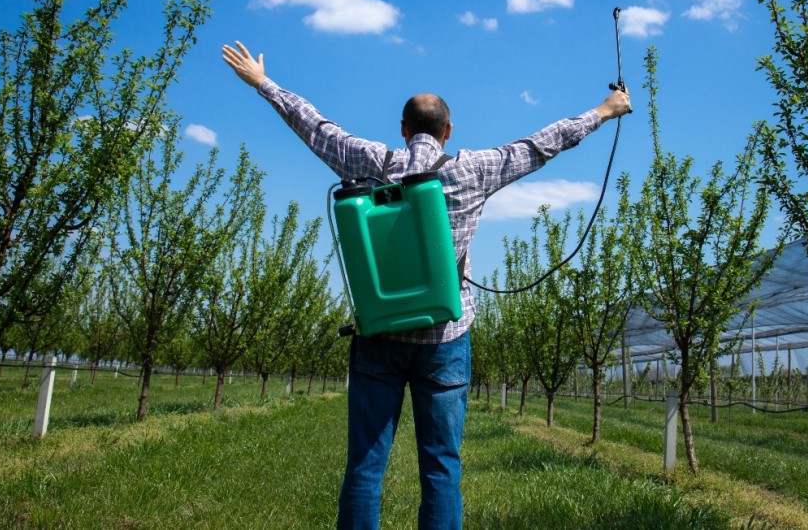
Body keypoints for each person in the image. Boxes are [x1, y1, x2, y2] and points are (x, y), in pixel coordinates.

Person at [222, 41, 632, 529]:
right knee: (441, 468)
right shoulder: (473, 169)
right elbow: (541, 143)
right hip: (446, 339)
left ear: (402, 130)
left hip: (379, 338)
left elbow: (316, 127)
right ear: (448, 130)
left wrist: (263, 83)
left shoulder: (371, 161)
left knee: (365, 467)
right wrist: (605, 111)